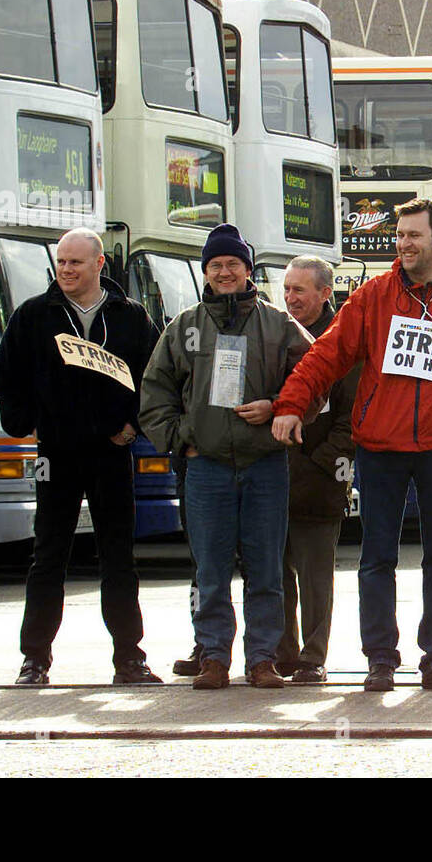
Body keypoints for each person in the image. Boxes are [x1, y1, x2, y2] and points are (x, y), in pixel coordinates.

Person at [272, 199, 432, 692]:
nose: (403, 244)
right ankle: (380, 659)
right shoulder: (372, 297)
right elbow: (327, 355)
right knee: (376, 558)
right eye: (399, 235)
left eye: (414, 236)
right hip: (379, 447)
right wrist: (292, 403)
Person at [140, 224, 317, 690]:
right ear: (206, 271)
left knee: (266, 569)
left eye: (232, 265)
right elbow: (154, 392)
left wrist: (280, 408)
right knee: (211, 570)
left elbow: (318, 379)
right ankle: (213, 656)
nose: (224, 273)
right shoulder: (184, 327)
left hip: (265, 467)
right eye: (215, 265)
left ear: (247, 271)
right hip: (206, 468)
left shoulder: (278, 325)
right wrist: (184, 437)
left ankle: (263, 660)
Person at [0, 228, 161, 686]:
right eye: (61, 262)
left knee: (118, 557)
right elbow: (6, 372)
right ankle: (35, 660)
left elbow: (156, 377)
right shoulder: (34, 315)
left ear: (99, 265)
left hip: (111, 454)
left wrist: (134, 425)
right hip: (56, 454)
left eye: (75, 263)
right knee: (48, 555)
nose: (66, 270)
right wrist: (24, 422)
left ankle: (130, 659)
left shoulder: (131, 317)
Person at [274, 256, 361, 684]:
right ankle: (281, 653)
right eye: (287, 289)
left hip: (321, 480)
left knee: (315, 577)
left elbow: (353, 417)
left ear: (325, 293)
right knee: (274, 573)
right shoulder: (274, 332)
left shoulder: (343, 339)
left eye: (300, 291)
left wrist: (319, 465)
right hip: (273, 476)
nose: (291, 299)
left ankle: (313, 657)